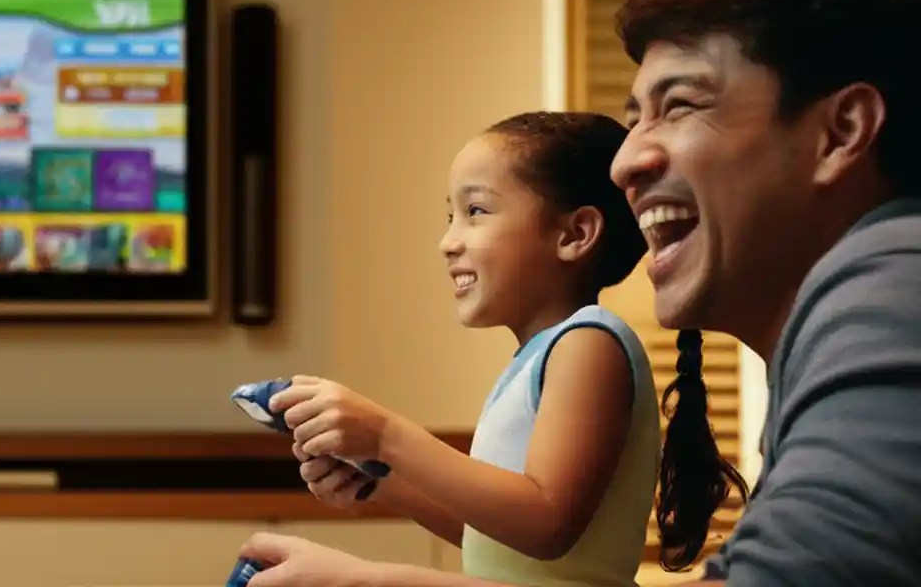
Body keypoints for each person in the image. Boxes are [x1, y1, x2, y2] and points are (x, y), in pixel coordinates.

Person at [237, 0, 921, 587]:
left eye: (678, 105)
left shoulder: (894, 293)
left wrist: (376, 551)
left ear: (843, 131)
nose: (628, 161)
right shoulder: (843, 337)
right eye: (633, 122)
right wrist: (387, 480)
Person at [262, 111, 744, 587]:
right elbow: (498, 539)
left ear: (575, 235)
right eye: (451, 216)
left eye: (476, 211)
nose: (448, 242)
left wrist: (386, 436)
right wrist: (381, 479)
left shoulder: (590, 344)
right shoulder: (539, 358)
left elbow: (546, 524)